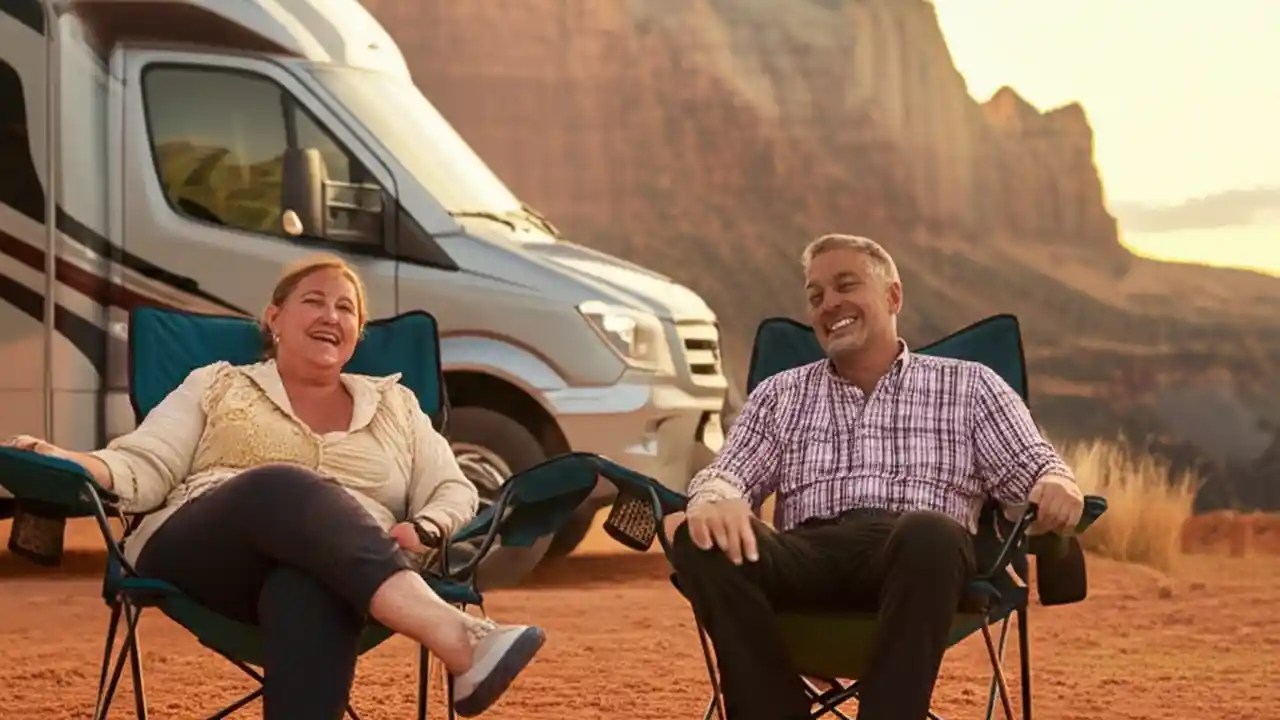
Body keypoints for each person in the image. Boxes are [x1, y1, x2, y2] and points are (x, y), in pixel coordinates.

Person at [3, 254, 544, 719]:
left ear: (357, 334)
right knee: (282, 486)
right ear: (274, 317)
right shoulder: (218, 384)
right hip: (205, 552)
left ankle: (457, 642)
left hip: (345, 573)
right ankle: (457, 637)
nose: (331, 315)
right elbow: (144, 463)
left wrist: (427, 527)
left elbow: (452, 488)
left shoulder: (396, 405)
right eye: (314, 301)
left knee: (306, 586)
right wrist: (71, 461)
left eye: (346, 308)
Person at [662, 234, 1085, 720]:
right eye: (816, 296)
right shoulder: (780, 395)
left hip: (918, 558)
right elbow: (726, 473)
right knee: (701, 538)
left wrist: (1057, 483)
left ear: (893, 296)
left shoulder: (970, 386)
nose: (829, 304)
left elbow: (1034, 467)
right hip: (807, 556)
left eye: (846, 286)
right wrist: (715, 498)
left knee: (928, 531)